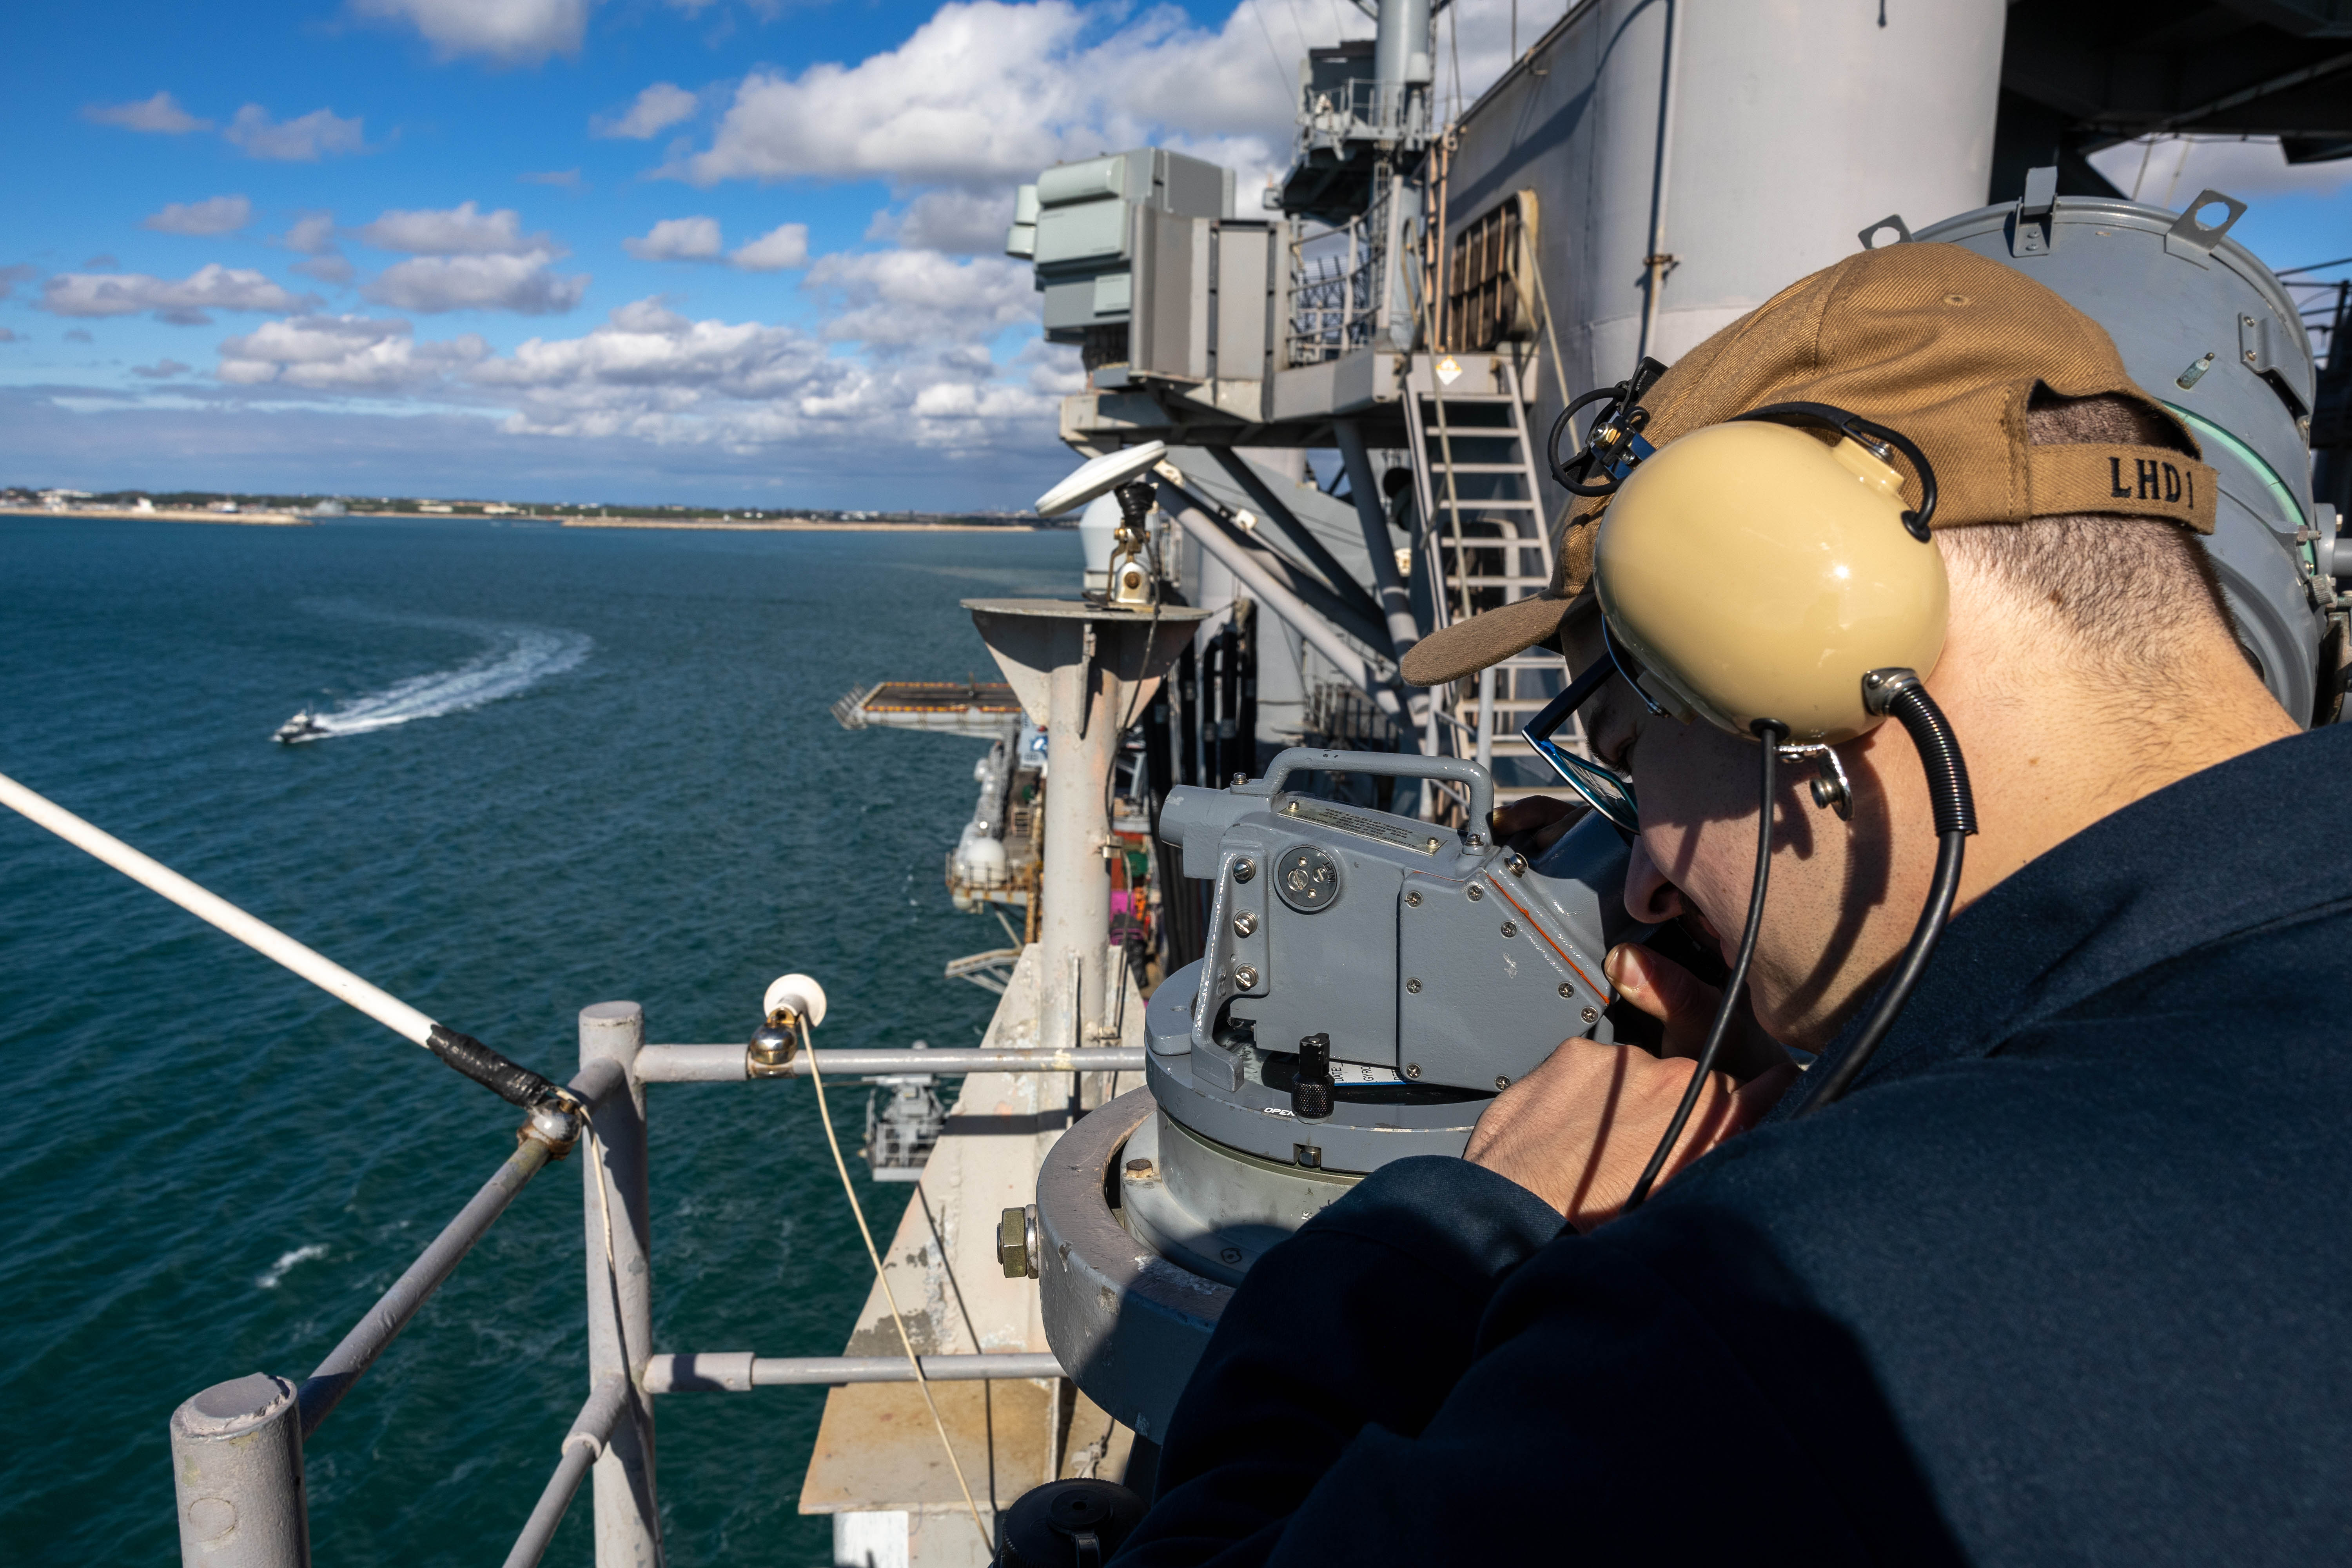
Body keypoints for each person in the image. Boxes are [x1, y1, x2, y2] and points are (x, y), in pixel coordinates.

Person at [1111, 243, 2351, 1564]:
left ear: (1817, 641)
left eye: (1633, 758)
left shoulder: (1782, 1310)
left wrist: (1450, 1231)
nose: (1647, 879)